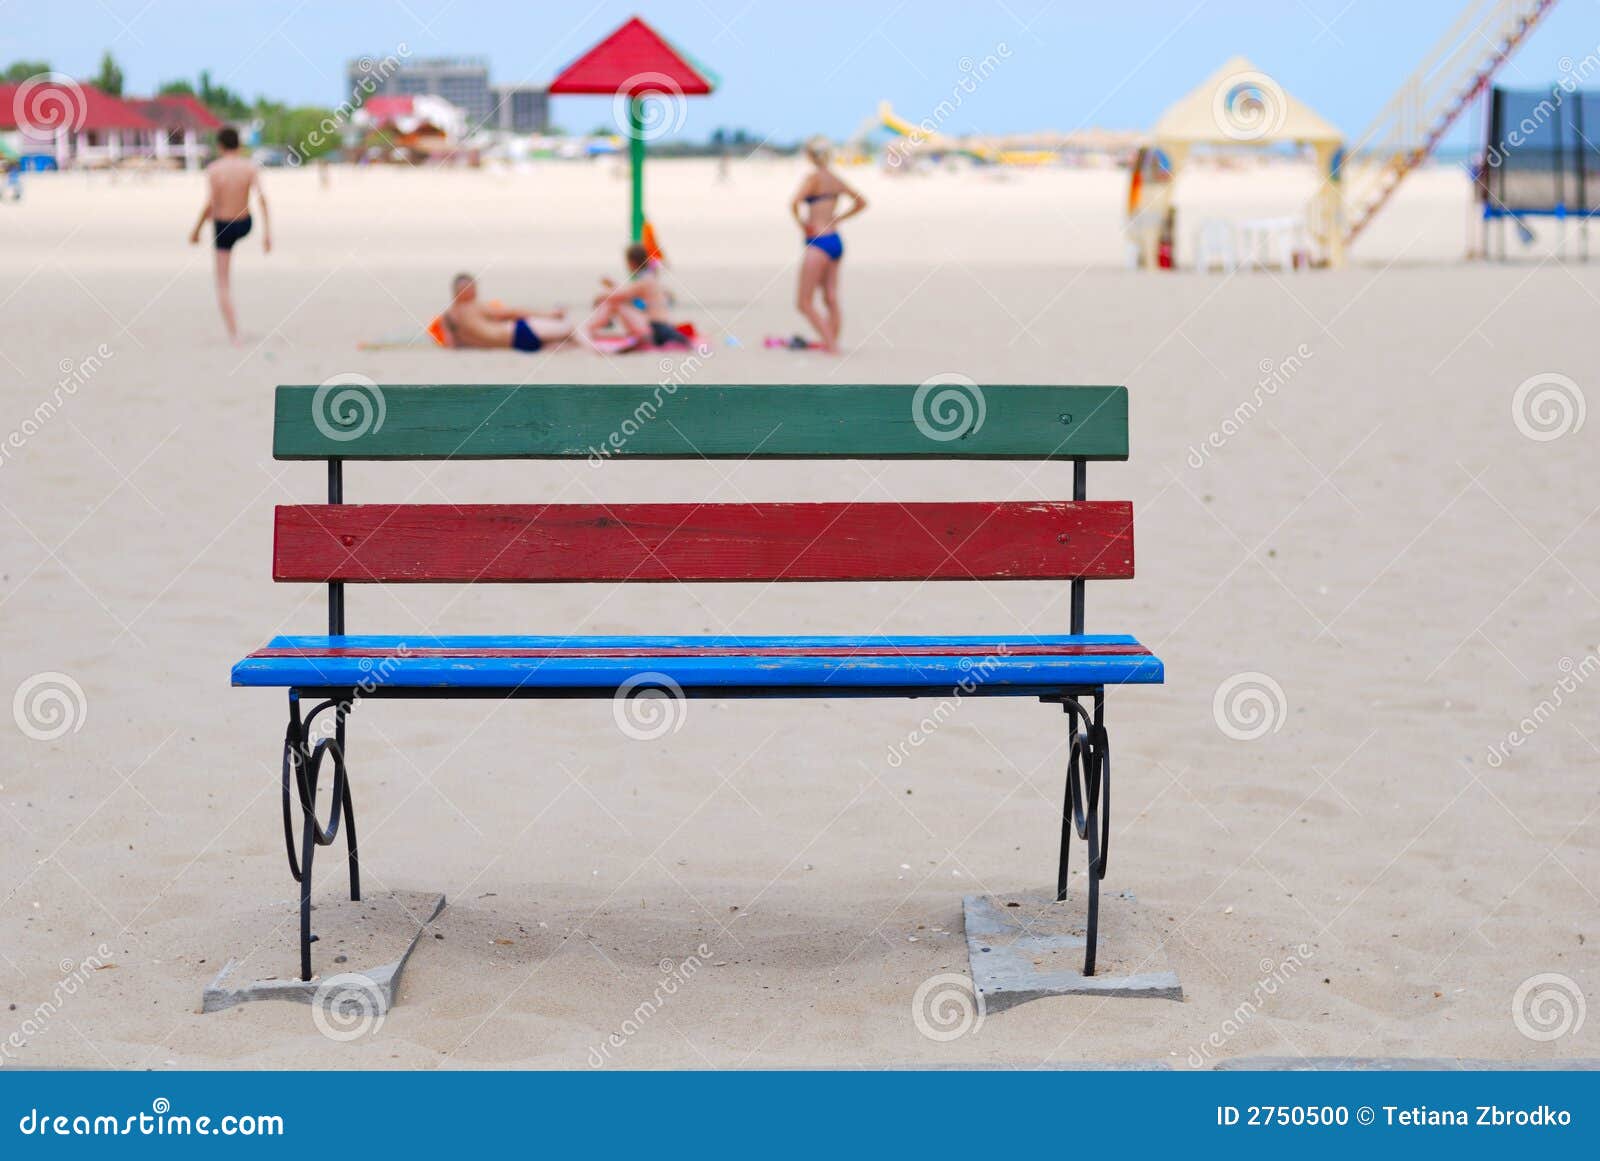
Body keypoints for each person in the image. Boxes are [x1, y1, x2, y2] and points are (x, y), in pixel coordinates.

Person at [188, 126, 270, 345]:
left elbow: (210, 205)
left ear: (220, 146)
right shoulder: (250, 168)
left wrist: (196, 231)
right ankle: (235, 332)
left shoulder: (214, 170)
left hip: (223, 226)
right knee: (225, 274)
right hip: (245, 224)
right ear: (239, 145)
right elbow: (262, 199)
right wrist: (267, 234)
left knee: (223, 282)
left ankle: (235, 334)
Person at [790, 137, 866, 352]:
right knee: (830, 297)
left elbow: (794, 202)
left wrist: (802, 224)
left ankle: (831, 346)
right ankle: (832, 341)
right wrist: (840, 217)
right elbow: (862, 202)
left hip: (818, 243)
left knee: (804, 302)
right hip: (835, 240)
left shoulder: (813, 178)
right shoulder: (835, 178)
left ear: (809, 156)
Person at [585, 242, 687, 350]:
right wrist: (612, 287)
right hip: (664, 326)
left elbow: (621, 295)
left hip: (656, 328)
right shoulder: (649, 277)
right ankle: (594, 327)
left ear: (632, 262)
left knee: (615, 303)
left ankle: (589, 329)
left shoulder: (644, 280)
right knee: (617, 301)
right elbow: (630, 296)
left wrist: (600, 296)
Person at [441, 273, 573, 352]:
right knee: (568, 329)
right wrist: (549, 315)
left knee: (564, 342)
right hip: (519, 332)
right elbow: (512, 313)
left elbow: (452, 345)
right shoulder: (473, 306)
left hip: (515, 344)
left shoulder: (448, 316)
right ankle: (559, 312)